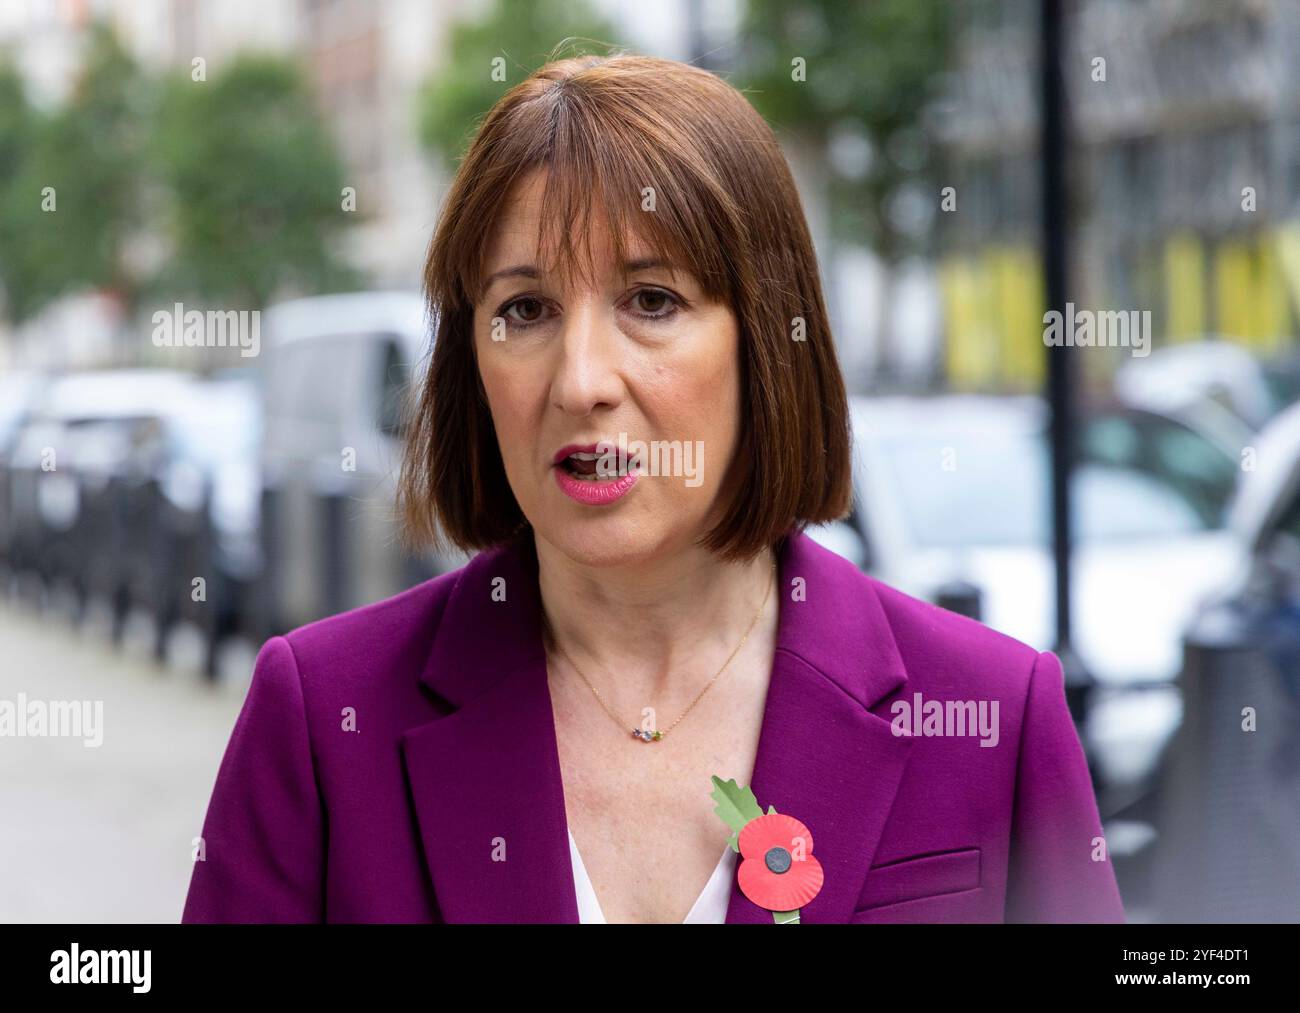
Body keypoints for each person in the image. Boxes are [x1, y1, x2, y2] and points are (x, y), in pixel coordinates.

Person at [182, 52, 1124, 924]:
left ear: (766, 339)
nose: (581, 377)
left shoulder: (993, 713)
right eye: (525, 309)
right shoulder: (321, 720)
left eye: (652, 301)